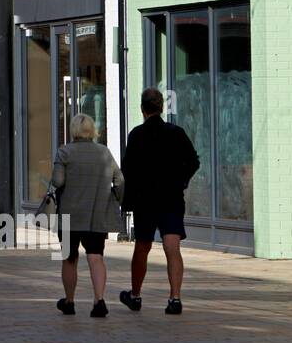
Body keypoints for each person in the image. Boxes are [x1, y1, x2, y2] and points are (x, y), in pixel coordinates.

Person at [120, 87, 201, 315]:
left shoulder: (136, 135)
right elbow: (193, 161)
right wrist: (181, 181)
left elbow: (128, 169)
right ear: (161, 107)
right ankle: (175, 298)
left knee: (142, 247)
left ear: (143, 109)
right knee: (172, 247)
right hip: (171, 198)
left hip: (145, 201)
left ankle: (135, 295)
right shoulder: (176, 133)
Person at [51, 113, 125, 318]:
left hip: (68, 215)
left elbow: (57, 181)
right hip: (96, 213)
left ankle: (69, 301)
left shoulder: (64, 152)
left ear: (73, 130)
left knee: (69, 258)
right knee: (96, 257)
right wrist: (116, 199)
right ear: (92, 130)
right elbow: (120, 180)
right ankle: (99, 300)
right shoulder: (104, 153)